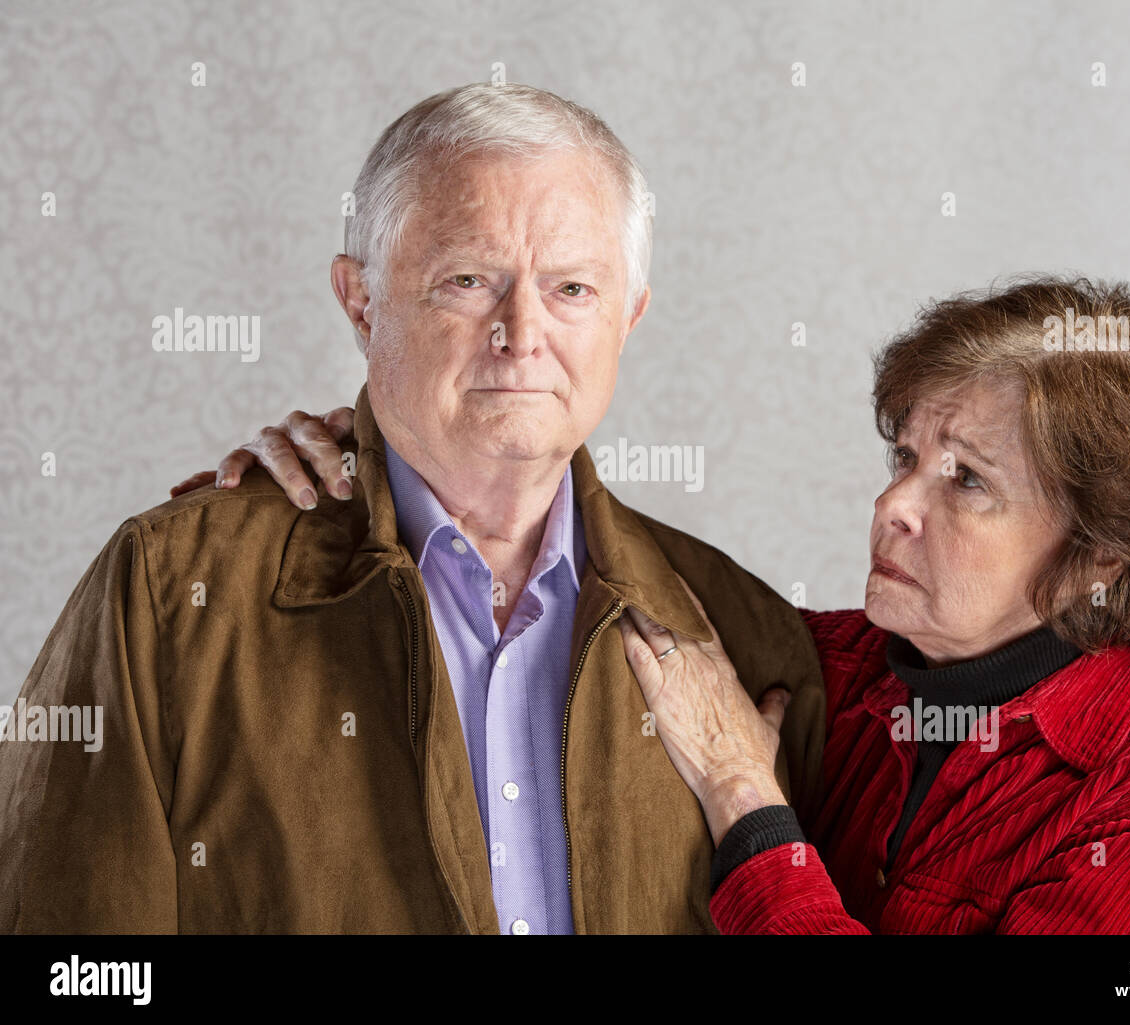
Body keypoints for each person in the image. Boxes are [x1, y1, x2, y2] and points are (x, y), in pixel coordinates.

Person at [212, 276, 1130, 933]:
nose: (893, 506)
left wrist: (746, 797)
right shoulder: (836, 666)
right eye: (905, 455)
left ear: (1102, 555)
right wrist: (372, 458)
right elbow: (565, 533)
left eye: (964, 480)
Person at [0, 84, 826, 934]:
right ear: (360, 302)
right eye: (467, 280)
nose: (522, 331)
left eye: (572, 288)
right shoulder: (170, 593)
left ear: (630, 317)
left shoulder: (750, 636)